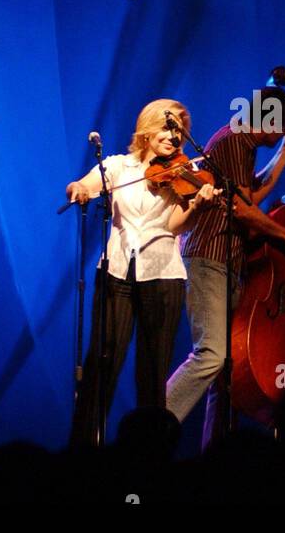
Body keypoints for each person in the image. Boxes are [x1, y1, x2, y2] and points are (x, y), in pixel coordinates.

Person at [165, 86, 285, 450]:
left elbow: (250, 196)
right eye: (280, 128)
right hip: (209, 256)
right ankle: (151, 430)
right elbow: (242, 210)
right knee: (211, 355)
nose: (282, 133)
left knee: (225, 373)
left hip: (229, 262)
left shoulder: (244, 146)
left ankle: (213, 452)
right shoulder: (234, 140)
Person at [65, 99, 219, 447]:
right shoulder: (119, 167)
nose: (173, 137)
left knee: (153, 374)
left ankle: (148, 457)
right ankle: (85, 450)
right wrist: (79, 190)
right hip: (116, 271)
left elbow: (174, 225)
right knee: (101, 366)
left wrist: (196, 205)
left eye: (179, 131)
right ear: (148, 130)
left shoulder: (181, 174)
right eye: (167, 128)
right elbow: (86, 185)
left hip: (162, 275)